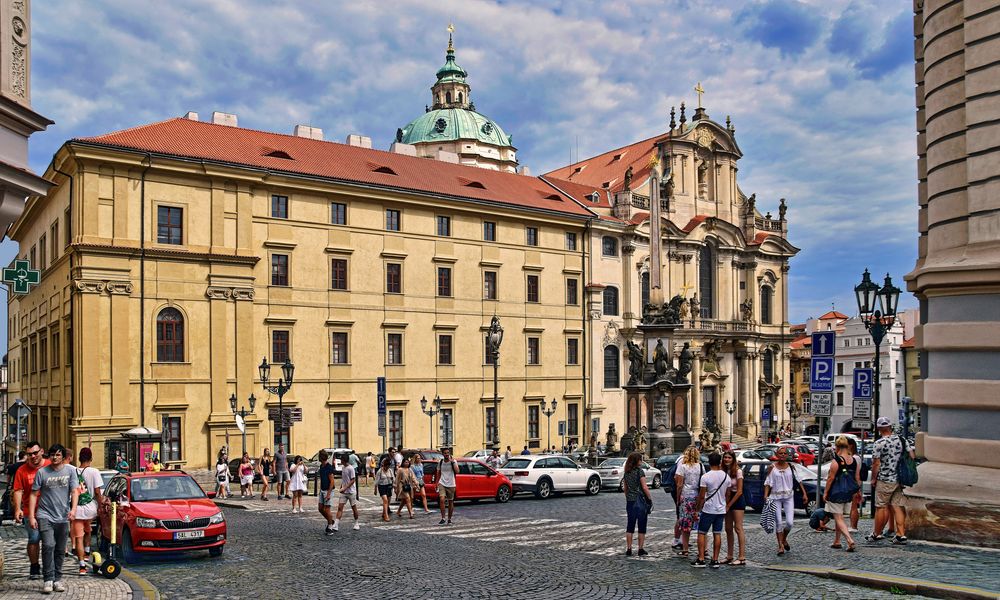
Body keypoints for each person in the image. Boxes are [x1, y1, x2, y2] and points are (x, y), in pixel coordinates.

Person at [28, 444, 79, 594]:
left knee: (60, 549)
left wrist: (73, 509)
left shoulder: (70, 470)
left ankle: (57, 579)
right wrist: (32, 516)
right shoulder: (42, 472)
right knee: (48, 545)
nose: (54, 457)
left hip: (63, 516)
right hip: (45, 515)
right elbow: (33, 494)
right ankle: (48, 579)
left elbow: (75, 491)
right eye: (52, 455)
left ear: (63, 456)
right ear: (48, 456)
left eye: (57, 455)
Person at [868, 417, 915, 545]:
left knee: (881, 507)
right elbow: (912, 455)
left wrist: (873, 479)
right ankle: (901, 534)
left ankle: (876, 534)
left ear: (878, 429)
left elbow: (876, 464)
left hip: (885, 479)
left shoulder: (879, 443)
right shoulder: (901, 439)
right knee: (897, 506)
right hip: (899, 479)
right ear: (890, 427)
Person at [12, 441, 49, 580]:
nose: (33, 456)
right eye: (29, 454)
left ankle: (49, 567)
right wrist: (17, 509)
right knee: (34, 538)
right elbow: (17, 490)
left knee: (49, 541)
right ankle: (34, 566)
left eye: (35, 453)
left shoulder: (50, 465)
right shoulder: (22, 470)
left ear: (41, 451)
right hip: (30, 511)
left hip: (49, 510)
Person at [764, 447, 808, 555]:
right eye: (781, 453)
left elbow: (799, 480)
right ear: (777, 454)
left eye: (784, 453)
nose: (783, 455)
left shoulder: (791, 467)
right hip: (775, 497)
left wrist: (804, 493)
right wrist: (765, 496)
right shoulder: (772, 468)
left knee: (789, 523)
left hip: (788, 497)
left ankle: (784, 539)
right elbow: (767, 482)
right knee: (778, 522)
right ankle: (780, 546)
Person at [691, 452, 730, 568]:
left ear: (709, 462)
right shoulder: (725, 476)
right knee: (717, 533)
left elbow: (702, 496)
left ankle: (701, 558)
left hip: (708, 509)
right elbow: (727, 494)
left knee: (702, 533)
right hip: (721, 509)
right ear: (719, 462)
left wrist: (697, 510)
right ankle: (715, 559)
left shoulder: (706, 477)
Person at [823, 436, 860, 552]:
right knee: (840, 517)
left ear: (837, 446)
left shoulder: (836, 461)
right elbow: (857, 478)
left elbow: (830, 478)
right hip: (848, 492)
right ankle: (837, 541)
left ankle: (849, 539)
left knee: (838, 518)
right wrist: (857, 491)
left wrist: (825, 492)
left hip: (836, 492)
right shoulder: (853, 460)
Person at [72, 448, 103, 575]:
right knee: (88, 529)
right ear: (91, 458)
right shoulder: (94, 471)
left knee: (79, 537)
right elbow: (97, 492)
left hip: (77, 509)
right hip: (90, 508)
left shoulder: (72, 472)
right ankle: (87, 552)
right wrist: (100, 506)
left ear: (79, 458)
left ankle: (82, 566)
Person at [674, 446, 703, 557]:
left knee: (685, 524)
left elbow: (679, 485)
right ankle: (703, 549)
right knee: (699, 522)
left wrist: (678, 498)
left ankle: (685, 549)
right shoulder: (700, 467)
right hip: (697, 496)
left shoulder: (683, 467)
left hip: (686, 497)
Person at [622, 451, 653, 557]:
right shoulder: (640, 472)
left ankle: (629, 549)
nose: (642, 461)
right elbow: (644, 487)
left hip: (630, 501)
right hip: (640, 501)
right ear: (637, 461)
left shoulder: (627, 472)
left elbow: (625, 488)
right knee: (641, 525)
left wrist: (628, 497)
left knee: (630, 526)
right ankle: (640, 548)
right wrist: (649, 498)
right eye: (640, 459)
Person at [722, 450, 746, 566]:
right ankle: (729, 555)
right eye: (725, 457)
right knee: (727, 528)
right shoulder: (725, 470)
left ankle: (741, 556)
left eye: (729, 458)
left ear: (733, 459)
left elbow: (740, 491)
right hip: (727, 499)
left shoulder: (738, 471)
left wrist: (729, 504)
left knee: (738, 527)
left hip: (737, 499)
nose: (726, 459)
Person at [332, 452, 360, 531]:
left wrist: (345, 488)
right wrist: (341, 487)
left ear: (344, 460)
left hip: (351, 492)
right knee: (340, 507)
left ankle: (356, 523)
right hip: (344, 492)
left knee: (353, 507)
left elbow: (352, 480)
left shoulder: (350, 468)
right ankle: (336, 525)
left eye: (341, 459)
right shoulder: (343, 468)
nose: (340, 461)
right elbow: (344, 479)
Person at [434, 448, 459, 525]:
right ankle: (443, 518)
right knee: (441, 499)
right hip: (442, 482)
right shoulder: (440, 462)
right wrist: (436, 483)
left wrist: (453, 462)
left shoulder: (453, 462)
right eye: (445, 453)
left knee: (450, 501)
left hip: (451, 484)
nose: (447, 454)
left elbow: (457, 471)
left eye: (448, 453)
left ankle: (449, 519)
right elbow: (438, 473)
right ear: (442, 454)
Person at [317, 450, 336, 535]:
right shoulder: (321, 466)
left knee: (327, 509)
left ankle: (330, 526)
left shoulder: (329, 467)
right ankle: (331, 520)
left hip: (329, 490)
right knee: (320, 508)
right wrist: (320, 490)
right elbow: (322, 479)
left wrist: (328, 494)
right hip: (322, 490)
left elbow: (332, 481)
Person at [847, 439, 863, 532]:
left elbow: (856, 473)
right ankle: (852, 525)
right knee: (852, 506)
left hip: (853, 483)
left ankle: (854, 526)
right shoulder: (856, 457)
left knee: (853, 506)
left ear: (851, 445)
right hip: (854, 483)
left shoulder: (855, 458)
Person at [375, 457, 395, 522]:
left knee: (387, 502)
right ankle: (386, 515)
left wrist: (395, 486)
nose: (387, 468)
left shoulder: (390, 470)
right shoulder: (379, 471)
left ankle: (384, 513)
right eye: (386, 466)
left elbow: (393, 479)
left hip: (389, 486)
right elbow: (376, 481)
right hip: (382, 487)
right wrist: (375, 489)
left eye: (388, 466)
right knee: (385, 500)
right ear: (384, 465)